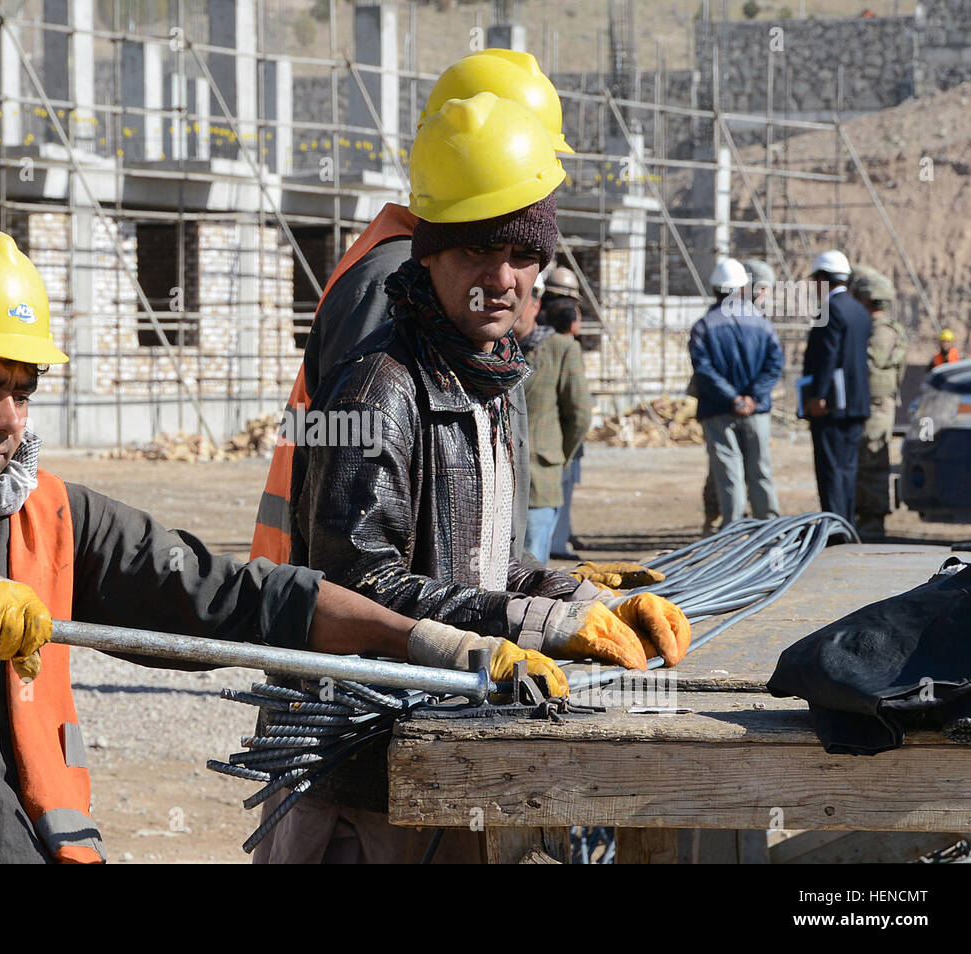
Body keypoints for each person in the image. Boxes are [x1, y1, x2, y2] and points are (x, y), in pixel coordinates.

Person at [0, 223, 542, 864]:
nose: (9, 422)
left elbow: (242, 597)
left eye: (23, 393)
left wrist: (440, 641)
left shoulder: (47, 516)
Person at [260, 93, 690, 864]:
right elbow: (359, 584)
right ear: (428, 255)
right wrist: (538, 626)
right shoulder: (379, 389)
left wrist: (585, 599)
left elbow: (482, 563)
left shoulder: (486, 379)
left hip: (453, 751)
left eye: (522, 257)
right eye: (475, 254)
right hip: (373, 781)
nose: (501, 278)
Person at [250, 49, 574, 571]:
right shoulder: (393, 285)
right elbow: (361, 551)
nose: (503, 276)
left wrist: (529, 579)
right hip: (354, 625)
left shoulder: (470, 325)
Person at [689, 257, 784, 530]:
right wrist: (753, 397)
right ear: (743, 288)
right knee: (761, 470)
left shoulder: (704, 326)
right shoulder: (762, 324)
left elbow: (704, 370)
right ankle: (770, 529)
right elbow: (775, 363)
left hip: (719, 411)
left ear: (714, 289)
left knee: (728, 473)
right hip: (757, 411)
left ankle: (732, 530)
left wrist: (733, 398)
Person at [518, 275, 592, 563]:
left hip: (541, 476)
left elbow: (580, 414)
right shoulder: (497, 348)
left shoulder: (562, 349)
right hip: (504, 481)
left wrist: (558, 455)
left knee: (533, 563)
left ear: (537, 305)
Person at [801, 249, 872, 527]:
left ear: (822, 279)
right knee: (847, 469)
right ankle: (847, 524)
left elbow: (827, 357)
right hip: (856, 404)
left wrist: (817, 396)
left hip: (831, 406)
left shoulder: (829, 310)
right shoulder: (859, 310)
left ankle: (835, 528)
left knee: (830, 469)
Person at [850, 264, 906, 540]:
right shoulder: (876, 328)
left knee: (872, 460)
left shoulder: (882, 331)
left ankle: (873, 520)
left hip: (876, 406)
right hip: (871, 405)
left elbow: (869, 366)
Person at [537, 265, 587, 558]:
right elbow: (578, 411)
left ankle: (559, 538)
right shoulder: (564, 347)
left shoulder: (532, 336)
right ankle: (558, 540)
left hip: (549, 436)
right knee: (561, 489)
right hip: (559, 437)